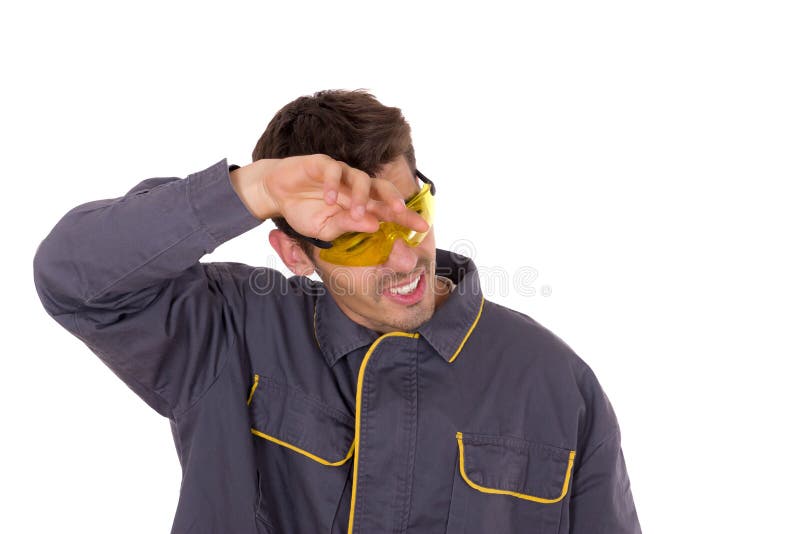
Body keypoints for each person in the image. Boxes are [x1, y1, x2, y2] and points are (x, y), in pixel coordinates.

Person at [32, 89, 641, 534]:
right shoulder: (231, 332)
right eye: (358, 241)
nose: (405, 258)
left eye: (412, 213)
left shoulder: (557, 383)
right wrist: (250, 190)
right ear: (295, 254)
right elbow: (76, 280)